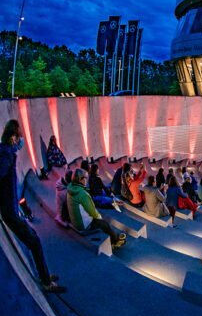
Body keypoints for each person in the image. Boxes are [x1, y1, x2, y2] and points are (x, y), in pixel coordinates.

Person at [0, 120, 65, 293]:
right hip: (9, 211)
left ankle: (44, 274)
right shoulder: (6, 154)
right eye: (20, 136)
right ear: (13, 137)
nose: (21, 141)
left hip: (11, 209)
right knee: (34, 242)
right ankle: (45, 282)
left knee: (34, 238)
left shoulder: (5, 152)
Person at [67, 169, 127, 248]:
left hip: (76, 222)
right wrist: (100, 218)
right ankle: (115, 241)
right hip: (82, 225)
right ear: (80, 179)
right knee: (104, 224)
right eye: (85, 178)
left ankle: (113, 236)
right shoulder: (82, 194)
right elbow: (92, 211)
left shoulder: (71, 188)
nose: (87, 180)